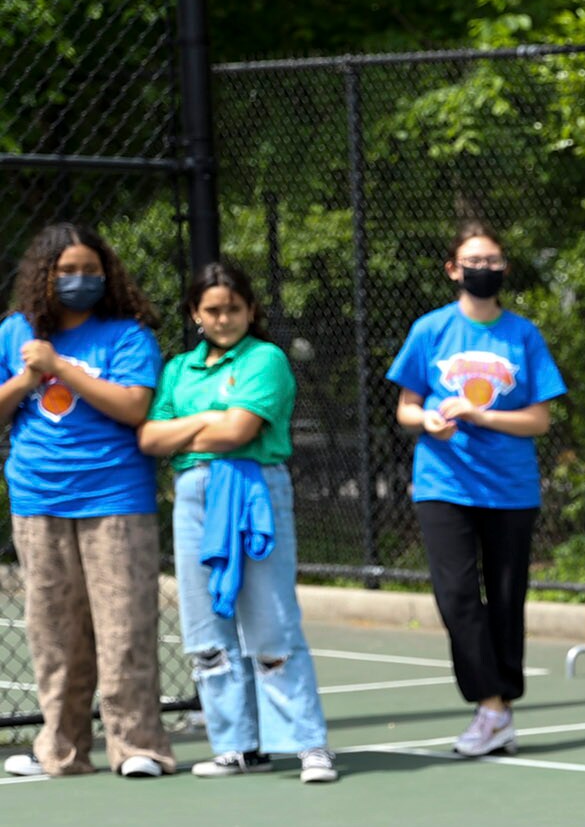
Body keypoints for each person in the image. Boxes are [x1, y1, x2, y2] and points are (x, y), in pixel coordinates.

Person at [138, 260, 335, 783]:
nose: (223, 318)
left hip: (254, 491)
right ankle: (237, 744)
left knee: (271, 622)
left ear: (250, 310)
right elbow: (148, 439)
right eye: (212, 310)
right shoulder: (179, 368)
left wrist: (190, 426)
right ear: (195, 314)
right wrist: (211, 420)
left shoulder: (266, 359)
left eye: (233, 308)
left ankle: (307, 744)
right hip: (193, 496)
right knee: (205, 627)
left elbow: (238, 433)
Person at [0, 223, 176, 779]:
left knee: (124, 628)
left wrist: (60, 369)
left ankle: (138, 747)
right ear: (44, 276)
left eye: (90, 271)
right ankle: (62, 751)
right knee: (54, 633)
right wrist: (29, 378)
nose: (79, 281)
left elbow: (132, 408)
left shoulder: (128, 337)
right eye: (67, 271)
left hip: (116, 500)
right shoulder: (14, 332)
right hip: (38, 500)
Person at [385, 224, 565, 757]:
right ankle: (491, 704)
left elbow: (539, 420)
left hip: (510, 490)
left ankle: (498, 710)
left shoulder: (523, 335)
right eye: (473, 259)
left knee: (507, 600)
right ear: (453, 269)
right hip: (444, 484)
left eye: (493, 259)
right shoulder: (430, 330)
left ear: (504, 268)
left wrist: (482, 415)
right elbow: (405, 407)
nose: (483, 267)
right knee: (458, 597)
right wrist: (429, 420)